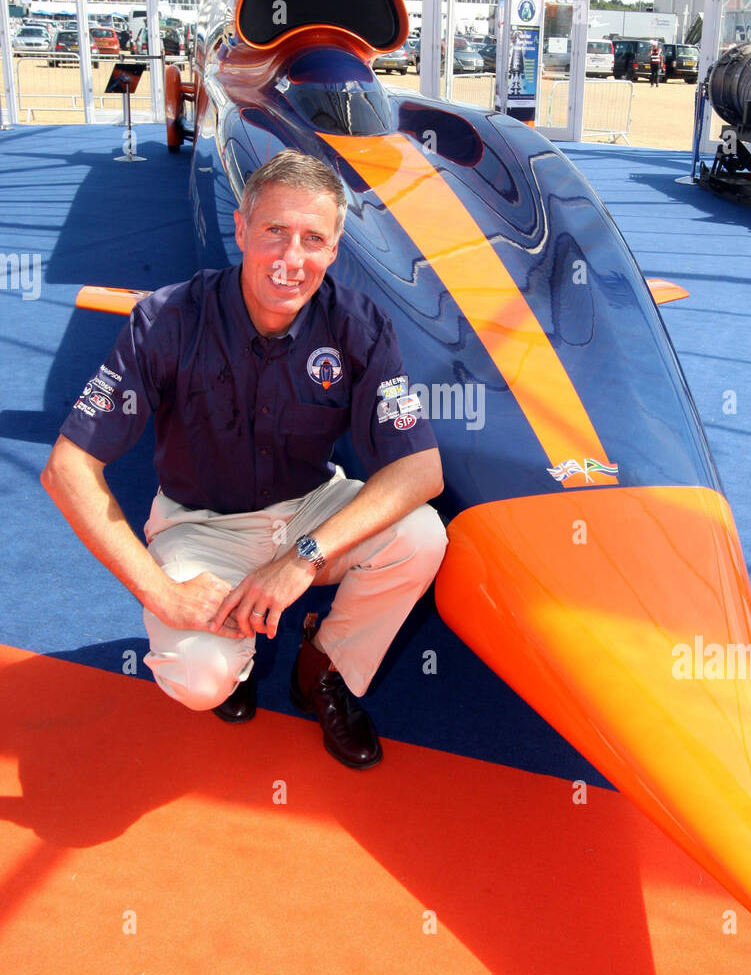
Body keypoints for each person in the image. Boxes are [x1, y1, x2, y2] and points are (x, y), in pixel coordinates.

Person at [41, 150, 448, 771]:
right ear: (240, 229)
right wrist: (160, 593)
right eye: (275, 232)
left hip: (310, 508)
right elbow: (67, 468)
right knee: (199, 678)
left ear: (336, 249)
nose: (292, 260)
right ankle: (236, 664)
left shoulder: (357, 324)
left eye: (314, 239)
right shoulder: (166, 320)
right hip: (203, 524)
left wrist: (300, 560)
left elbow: (420, 470)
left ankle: (323, 669)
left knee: (421, 536)